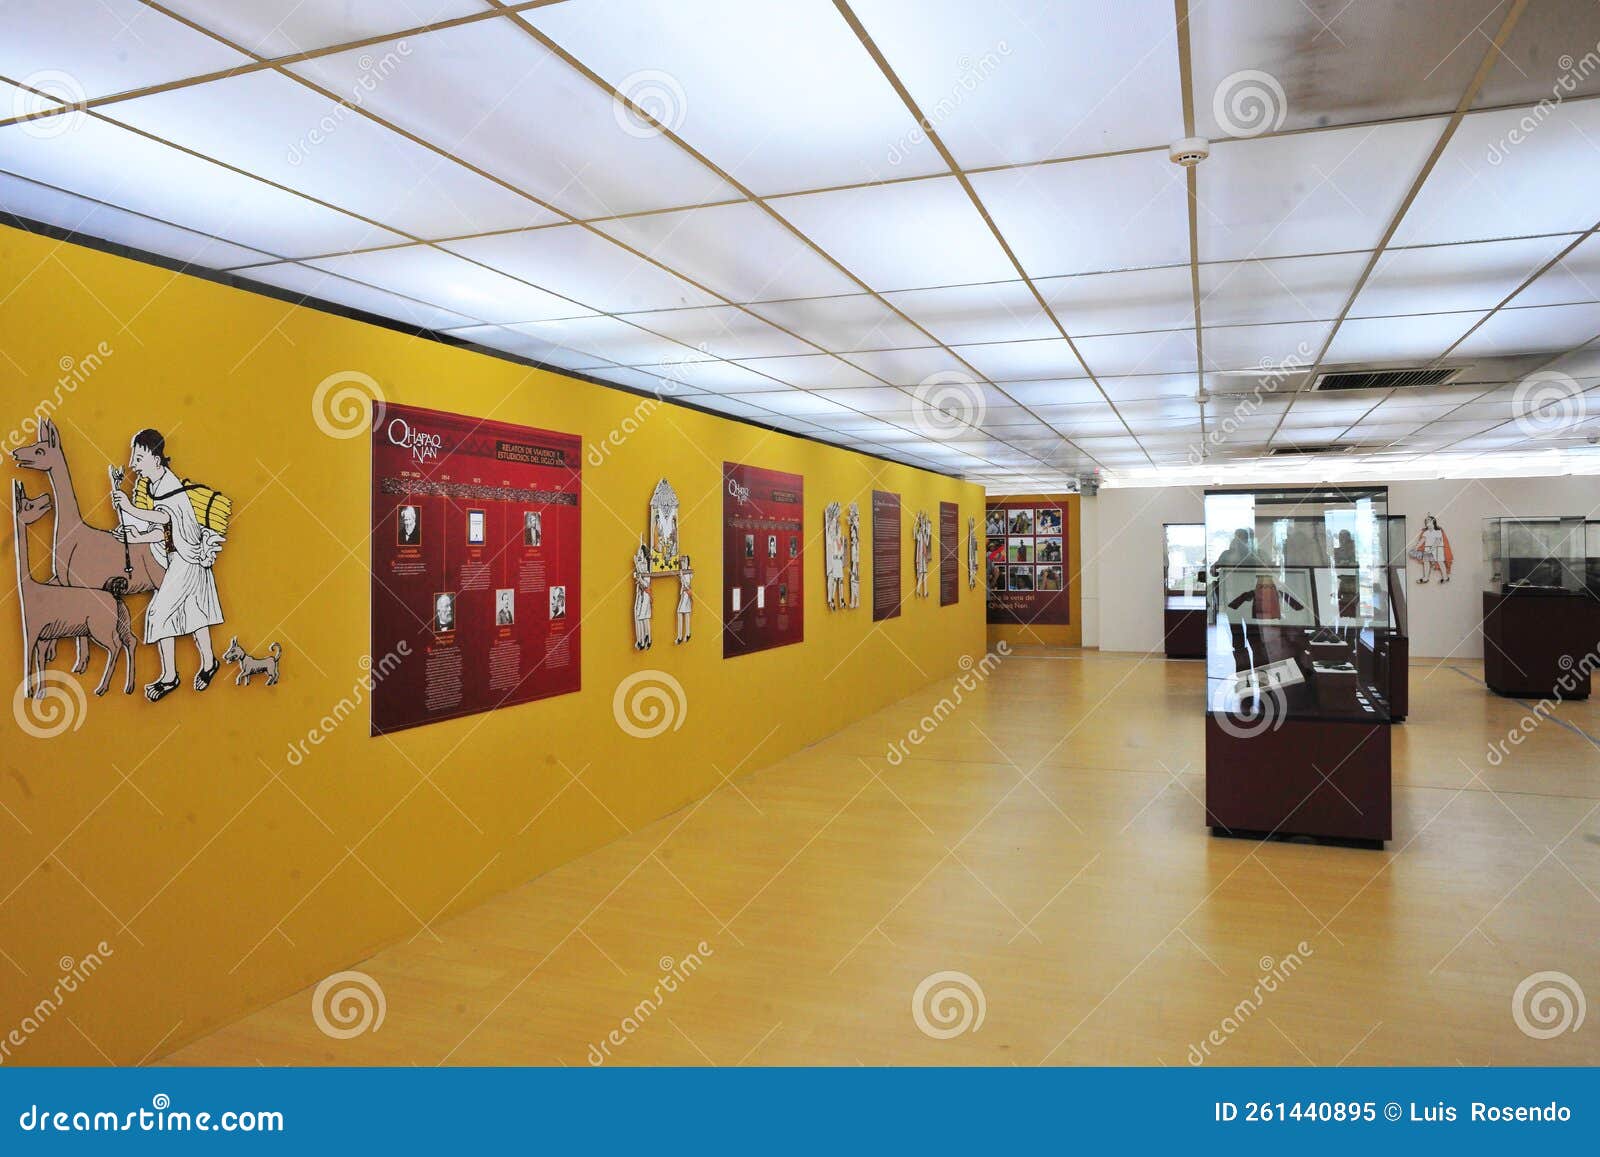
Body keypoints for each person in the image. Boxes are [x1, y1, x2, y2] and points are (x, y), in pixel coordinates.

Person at [112, 429, 224, 701]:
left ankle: (170, 677)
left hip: (188, 560)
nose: (132, 464)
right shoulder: (156, 484)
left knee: (159, 615)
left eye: (138, 457)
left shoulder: (168, 486)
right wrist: (136, 535)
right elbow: (166, 529)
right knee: (194, 613)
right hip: (179, 558)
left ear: (155, 457)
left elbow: (164, 518)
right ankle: (208, 664)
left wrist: (129, 508)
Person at [1413, 515, 1451, 583]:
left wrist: (1431, 549)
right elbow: (1422, 540)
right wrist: (1415, 548)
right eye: (1426, 520)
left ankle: (1445, 577)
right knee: (1426, 562)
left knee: (1440, 562)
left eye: (1428, 520)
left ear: (1433, 521)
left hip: (1437, 548)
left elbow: (1438, 541)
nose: (1427, 521)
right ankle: (1425, 578)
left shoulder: (1438, 531)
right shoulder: (1426, 532)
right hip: (1427, 548)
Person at [674, 555, 693, 644]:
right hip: (685, 593)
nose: (682, 563)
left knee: (680, 612)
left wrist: (681, 576)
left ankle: (680, 636)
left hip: (686, 593)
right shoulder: (685, 571)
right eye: (682, 562)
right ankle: (687, 633)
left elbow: (686, 583)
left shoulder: (688, 571)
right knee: (687, 613)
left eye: (684, 561)